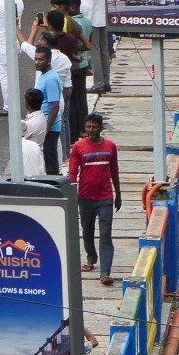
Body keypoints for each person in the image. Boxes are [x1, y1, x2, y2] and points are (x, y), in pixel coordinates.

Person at [67, 113, 121, 285]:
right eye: (88, 127)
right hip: (85, 197)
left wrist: (118, 195)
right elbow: (72, 172)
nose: (91, 130)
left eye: (94, 127)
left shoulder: (110, 146)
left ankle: (105, 272)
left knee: (106, 234)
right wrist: (71, 192)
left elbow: (114, 171)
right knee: (87, 231)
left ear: (101, 128)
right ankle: (91, 258)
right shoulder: (78, 147)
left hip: (105, 197)